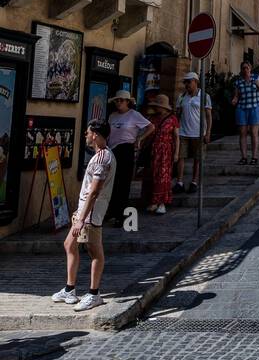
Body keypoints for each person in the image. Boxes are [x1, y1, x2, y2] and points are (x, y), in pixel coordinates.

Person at [52, 119, 116, 312]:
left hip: (91, 213)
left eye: (88, 132)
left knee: (95, 252)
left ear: (95, 134)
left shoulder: (102, 159)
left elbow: (94, 192)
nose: (86, 135)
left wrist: (81, 217)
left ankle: (94, 293)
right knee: (69, 244)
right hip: (85, 211)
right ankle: (70, 289)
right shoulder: (102, 155)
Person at [104, 90, 154, 226]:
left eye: (121, 100)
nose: (119, 103)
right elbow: (108, 134)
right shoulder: (112, 116)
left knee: (123, 183)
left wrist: (139, 139)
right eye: (117, 100)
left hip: (126, 149)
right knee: (112, 182)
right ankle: (112, 211)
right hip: (113, 150)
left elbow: (150, 127)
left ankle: (121, 215)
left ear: (128, 102)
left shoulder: (134, 115)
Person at [142, 95, 180, 214]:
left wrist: (176, 153)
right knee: (153, 175)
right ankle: (154, 201)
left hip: (166, 151)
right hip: (154, 150)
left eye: (158, 106)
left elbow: (176, 137)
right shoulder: (153, 118)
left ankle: (162, 202)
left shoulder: (172, 119)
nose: (157, 108)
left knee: (164, 176)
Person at [175, 72, 212, 192]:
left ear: (195, 82)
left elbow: (208, 116)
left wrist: (208, 132)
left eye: (189, 82)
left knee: (197, 158)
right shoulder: (181, 97)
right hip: (183, 132)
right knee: (181, 157)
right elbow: (177, 115)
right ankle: (179, 182)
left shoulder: (204, 96)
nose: (186, 84)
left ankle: (194, 181)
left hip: (198, 133)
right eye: (185, 82)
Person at [231, 60, 259, 165]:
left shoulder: (257, 78)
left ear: (250, 69)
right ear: (241, 70)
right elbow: (237, 96)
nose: (245, 70)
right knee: (242, 133)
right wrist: (234, 100)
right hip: (242, 108)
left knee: (253, 133)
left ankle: (254, 157)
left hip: (255, 107)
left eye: (247, 68)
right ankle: (244, 157)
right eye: (243, 68)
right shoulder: (238, 82)